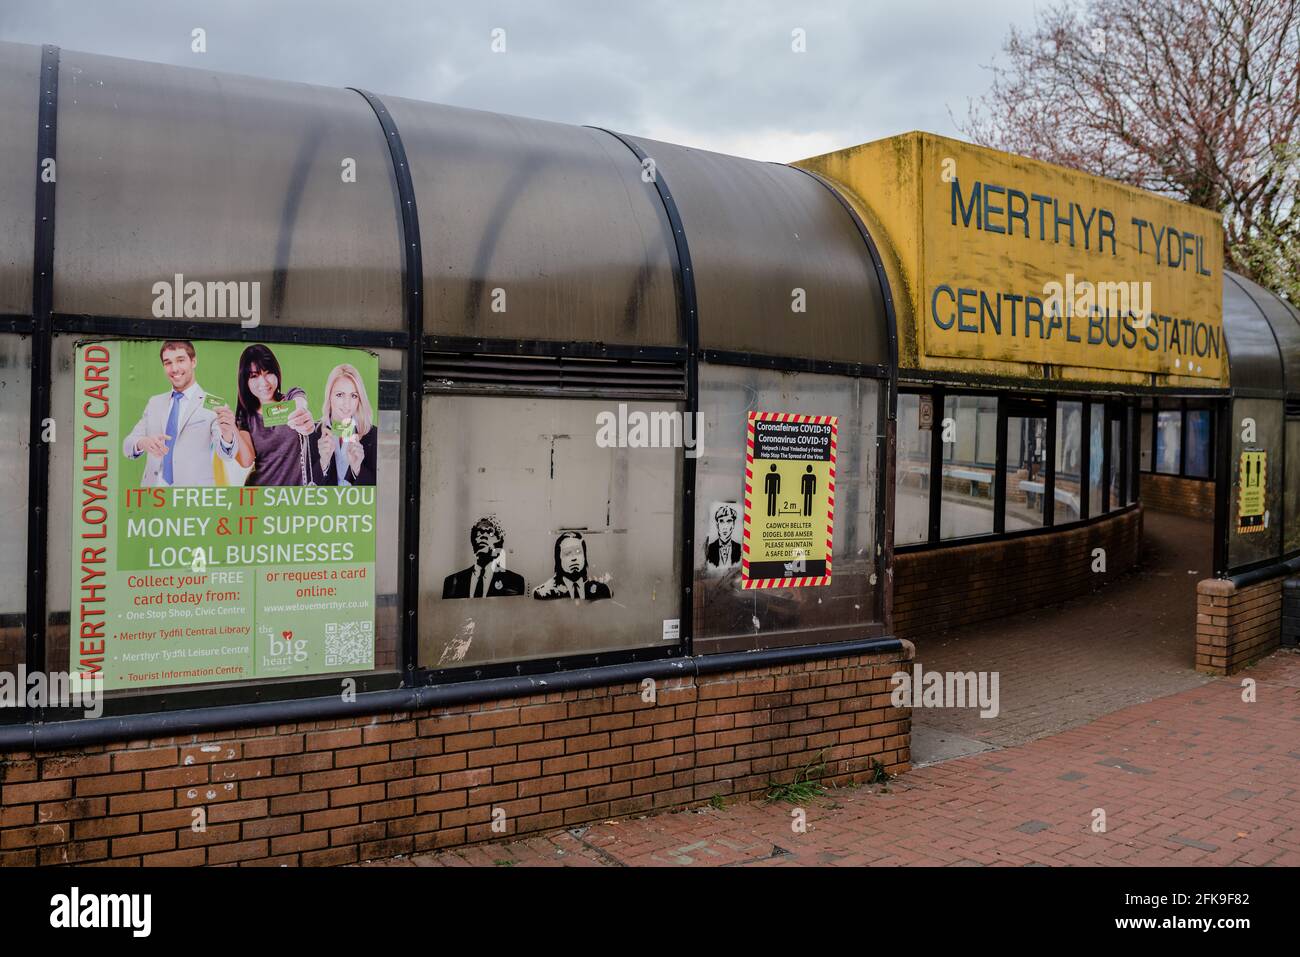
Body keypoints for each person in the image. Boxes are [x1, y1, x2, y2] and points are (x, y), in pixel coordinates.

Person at [123, 340, 237, 487]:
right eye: (168, 363)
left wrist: (228, 435)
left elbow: (227, 455)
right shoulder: (154, 403)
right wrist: (143, 443)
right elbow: (127, 445)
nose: (174, 368)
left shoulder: (215, 405)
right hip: (152, 495)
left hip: (192, 498)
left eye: (180, 360)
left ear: (193, 361)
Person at [233, 344, 315, 486]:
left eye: (268, 373)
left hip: (294, 498)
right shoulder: (246, 416)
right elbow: (246, 461)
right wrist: (230, 426)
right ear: (245, 381)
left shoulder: (291, 396)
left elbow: (300, 402)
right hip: (260, 496)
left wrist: (301, 415)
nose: (263, 382)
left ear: (276, 372)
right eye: (254, 376)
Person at [308, 363, 378, 487]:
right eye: (340, 395)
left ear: (359, 400)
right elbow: (301, 489)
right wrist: (323, 463)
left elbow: (380, 490)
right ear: (329, 396)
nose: (347, 404)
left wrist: (357, 469)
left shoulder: (372, 435)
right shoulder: (311, 433)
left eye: (353, 395)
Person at [442, 517, 525, 598]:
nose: (483, 536)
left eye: (490, 532)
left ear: (499, 542)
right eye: (479, 532)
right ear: (473, 542)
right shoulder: (452, 582)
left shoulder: (514, 581)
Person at [533, 531, 611, 601]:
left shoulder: (601, 590)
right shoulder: (544, 593)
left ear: (584, 556)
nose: (574, 558)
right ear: (558, 559)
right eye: (567, 553)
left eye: (578, 551)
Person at [705, 504, 741, 569]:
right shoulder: (710, 548)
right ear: (717, 525)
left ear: (733, 524)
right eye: (721, 521)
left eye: (729, 521)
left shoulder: (739, 548)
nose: (725, 526)